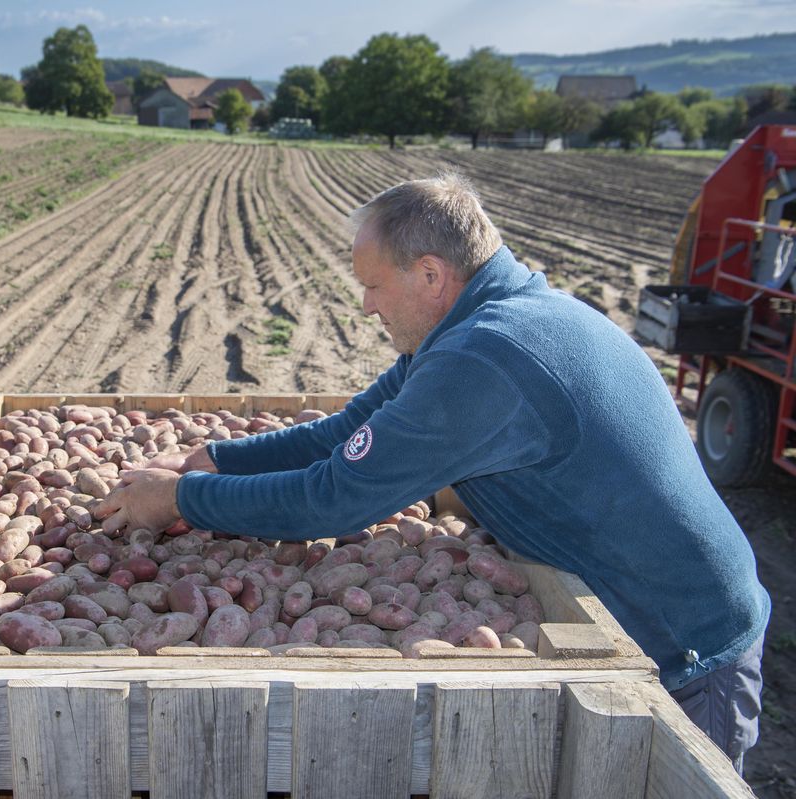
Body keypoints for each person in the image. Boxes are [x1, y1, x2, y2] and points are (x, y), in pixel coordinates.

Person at [94, 174, 770, 772]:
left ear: (429, 275)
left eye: (372, 285)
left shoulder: (485, 358)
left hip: (683, 639)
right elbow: (347, 432)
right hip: (653, 600)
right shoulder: (484, 319)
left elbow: (332, 500)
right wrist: (211, 460)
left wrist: (181, 499)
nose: (366, 306)